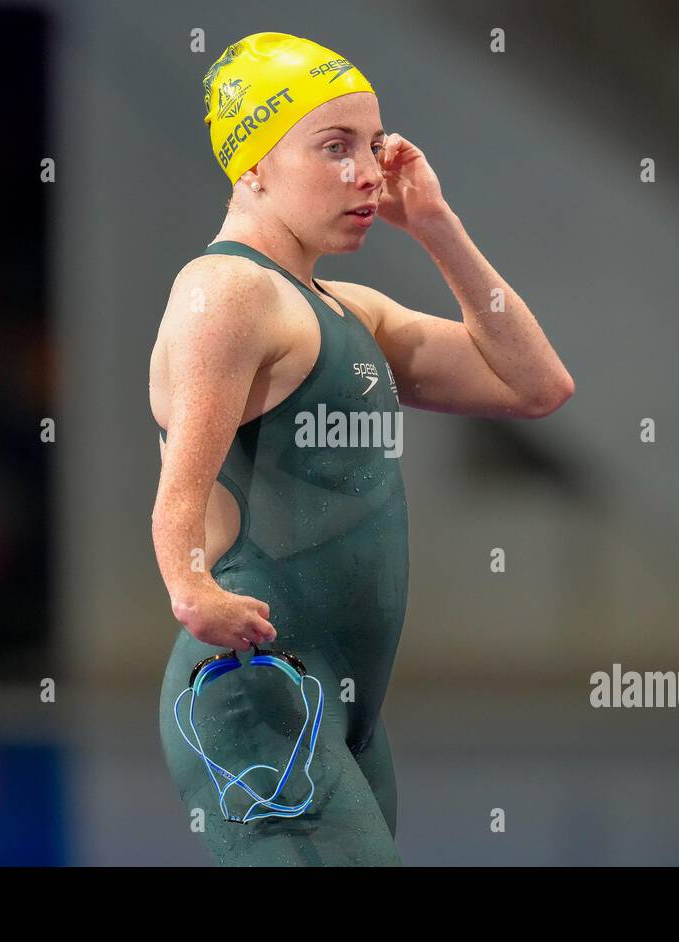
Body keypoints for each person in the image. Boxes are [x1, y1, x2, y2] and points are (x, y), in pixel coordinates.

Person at [149, 32, 574, 865]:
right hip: (262, 699)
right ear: (253, 166)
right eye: (334, 148)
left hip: (343, 711)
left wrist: (436, 224)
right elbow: (180, 486)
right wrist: (188, 585)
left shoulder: (349, 310)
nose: (368, 173)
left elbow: (536, 385)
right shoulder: (227, 293)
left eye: (373, 147)